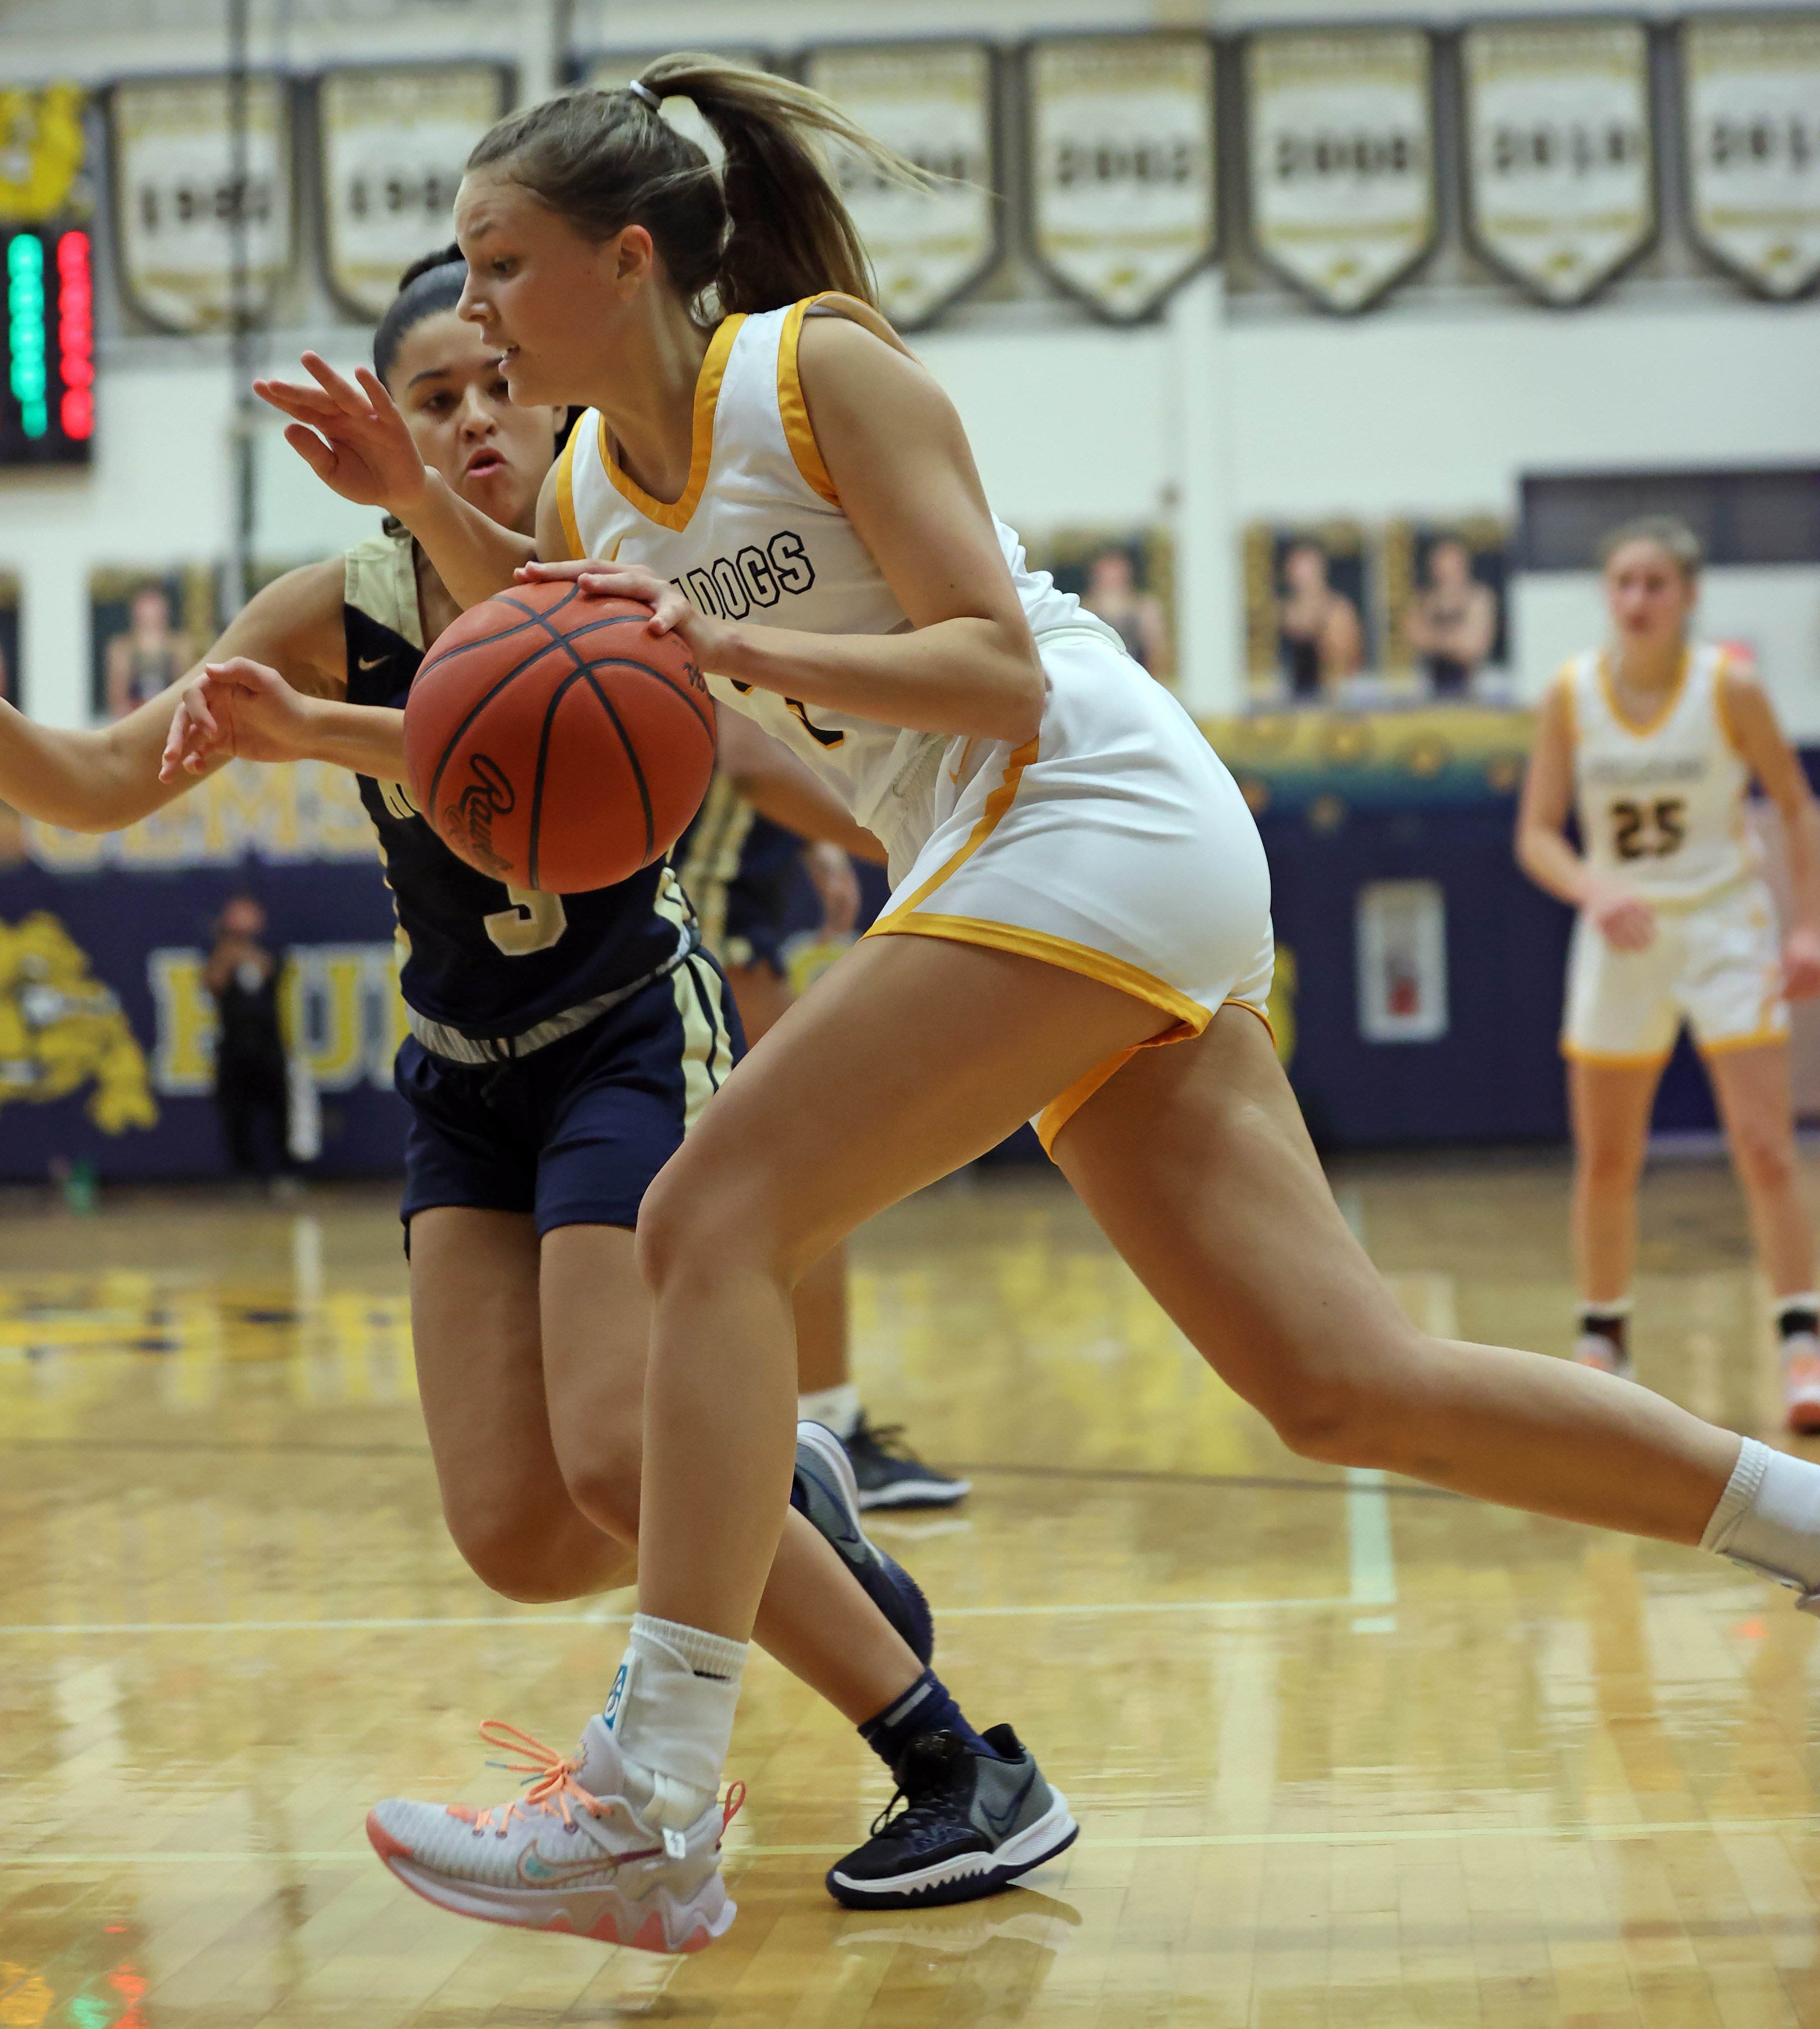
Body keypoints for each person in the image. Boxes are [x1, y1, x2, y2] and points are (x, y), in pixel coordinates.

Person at [238, 59, 1820, 1961]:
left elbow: (991, 667)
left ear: (625, 255)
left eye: (501, 266)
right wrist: (412, 501)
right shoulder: (591, 476)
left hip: (1084, 800)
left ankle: (651, 1794)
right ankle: (1795, 1513)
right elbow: (562, 641)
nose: (474, 312)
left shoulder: (817, 370)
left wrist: (729, 645)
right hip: (1008, 857)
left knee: (704, 1216)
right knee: (1342, 1383)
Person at [27, 249, 1064, 1926]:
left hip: (620, 1038)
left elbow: (552, 673)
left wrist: (329, 721)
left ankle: (951, 1755)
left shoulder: (604, 562)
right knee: (517, 1528)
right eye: (433, 397)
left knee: (608, 1450)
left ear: (552, 390)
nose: (474, 417)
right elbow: (88, 782)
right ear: (382, 428)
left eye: (496, 382)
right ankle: (762, 1488)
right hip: (456, 1077)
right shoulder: (332, 611)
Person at [1517, 516, 1820, 1427]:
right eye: (1622, 583)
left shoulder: (1729, 686)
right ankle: (1601, 1337)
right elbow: (1535, 832)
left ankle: (1799, 1343)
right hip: (1622, 931)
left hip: (1724, 923)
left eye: (1654, 583)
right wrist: (1591, 887)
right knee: (1607, 1154)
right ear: (1605, 596)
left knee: (1763, 1146)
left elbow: (1795, 807)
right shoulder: (1569, 693)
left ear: (1687, 595)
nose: (1636, 599)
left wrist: (1805, 927)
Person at [676, 726, 970, 1508]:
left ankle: (767, 1431)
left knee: (720, 1190)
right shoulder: (712, 606)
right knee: (800, 1169)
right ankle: (823, 1434)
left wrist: (813, 842)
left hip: (698, 901)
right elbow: (744, 753)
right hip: (703, 929)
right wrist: (918, 836)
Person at [203, 889, 295, 1188]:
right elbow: (212, 983)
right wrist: (228, 951)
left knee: (279, 1111)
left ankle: (283, 1172)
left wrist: (246, 953)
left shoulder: (272, 946)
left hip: (268, 1043)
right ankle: (243, 1174)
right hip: (233, 1044)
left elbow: (274, 970)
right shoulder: (219, 950)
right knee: (236, 1113)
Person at [1403, 535, 1496, 699]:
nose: (1445, 573)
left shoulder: (1479, 599)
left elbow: (1472, 647)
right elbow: (1413, 637)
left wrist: (1434, 640)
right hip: (1429, 694)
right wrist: (1454, 642)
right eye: (1441, 565)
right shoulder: (1424, 601)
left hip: (1471, 694)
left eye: (1452, 566)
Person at [1277, 539, 1362, 700]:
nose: (1299, 574)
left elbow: (1347, 664)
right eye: (1295, 568)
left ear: (1320, 570)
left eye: (1305, 568)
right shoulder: (1282, 610)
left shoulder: (1338, 611)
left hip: (1328, 698)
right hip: (1289, 699)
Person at [1079, 543, 1169, 680]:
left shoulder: (1146, 608)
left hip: (1140, 682)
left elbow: (1160, 656)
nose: (1112, 574)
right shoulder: (1082, 608)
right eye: (1106, 567)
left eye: (1117, 567)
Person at [104, 583, 193, 721]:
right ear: (134, 613)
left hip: (171, 716)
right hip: (133, 719)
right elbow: (116, 701)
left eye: (154, 608)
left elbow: (188, 691)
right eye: (145, 607)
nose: (150, 615)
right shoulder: (121, 648)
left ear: (165, 611)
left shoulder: (180, 646)